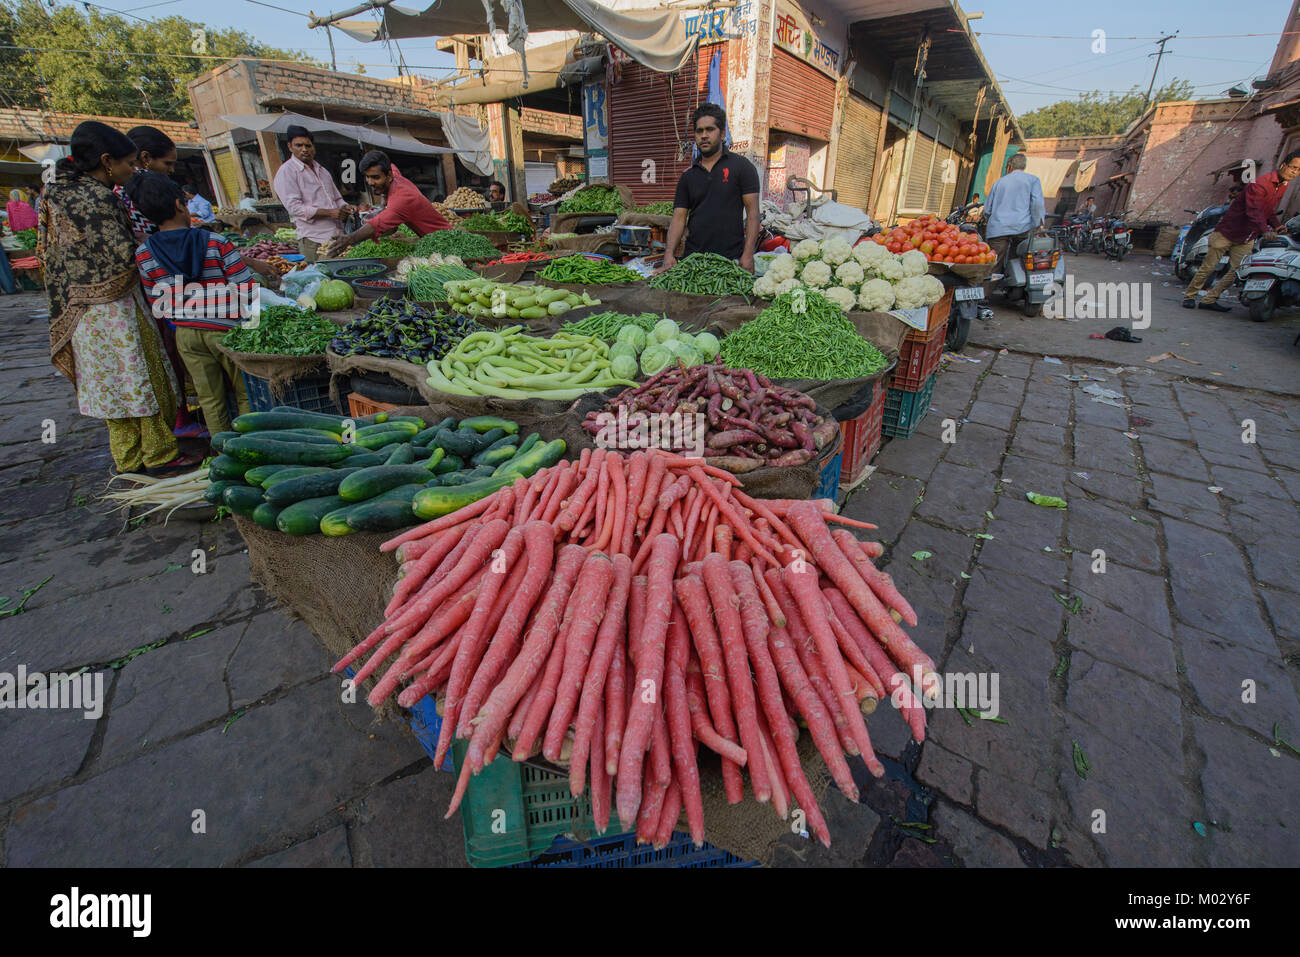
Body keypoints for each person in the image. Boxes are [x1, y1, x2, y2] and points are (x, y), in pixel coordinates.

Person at [40, 121, 198, 475]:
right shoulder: (98, 196)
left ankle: (128, 460)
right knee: (143, 377)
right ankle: (160, 456)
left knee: (111, 386)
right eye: (128, 164)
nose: (132, 171)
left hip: (79, 311)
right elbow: (122, 256)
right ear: (107, 161)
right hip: (116, 308)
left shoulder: (54, 190)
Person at [128, 172, 256, 437]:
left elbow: (157, 304)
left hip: (186, 334)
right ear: (179, 204)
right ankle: (251, 443)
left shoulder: (144, 253)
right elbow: (246, 287)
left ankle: (222, 450)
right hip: (228, 331)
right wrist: (252, 328)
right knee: (245, 392)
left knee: (209, 398)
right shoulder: (216, 242)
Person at [1182, 150, 1300, 311]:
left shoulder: (1282, 186)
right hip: (1227, 231)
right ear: (1283, 165)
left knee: (1238, 271)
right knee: (1209, 267)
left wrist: (1277, 225)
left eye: (1299, 170)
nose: (1295, 172)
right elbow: (1254, 210)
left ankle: (1209, 300)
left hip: (1247, 235)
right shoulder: (1260, 184)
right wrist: (1265, 230)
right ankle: (1189, 297)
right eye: (1293, 167)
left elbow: (1268, 209)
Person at [664, 103, 761, 272]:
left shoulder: (742, 167)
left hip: (730, 261)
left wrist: (748, 254)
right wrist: (669, 253)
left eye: (710, 129)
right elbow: (679, 218)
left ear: (722, 134)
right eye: (699, 131)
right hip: (693, 261)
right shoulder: (688, 176)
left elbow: (753, 214)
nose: (704, 135)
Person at [320, 150, 451, 257]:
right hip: (430, 240)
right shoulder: (394, 175)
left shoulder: (401, 199)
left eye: (376, 177)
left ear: (388, 176)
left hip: (445, 243)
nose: (370, 182)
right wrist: (384, 195)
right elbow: (392, 165)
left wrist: (350, 238)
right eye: (367, 176)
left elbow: (376, 225)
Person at [271, 125, 354, 262]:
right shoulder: (287, 171)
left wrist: (346, 207)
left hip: (337, 236)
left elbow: (337, 199)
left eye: (308, 145)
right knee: (319, 279)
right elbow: (294, 208)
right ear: (290, 146)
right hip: (313, 240)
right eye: (299, 145)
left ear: (313, 147)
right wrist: (328, 213)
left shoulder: (322, 171)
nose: (304, 149)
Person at [983, 152, 1046, 275]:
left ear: (1009, 167)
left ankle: (986, 291)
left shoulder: (999, 182)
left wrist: (988, 217)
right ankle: (1013, 284)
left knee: (993, 263)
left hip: (998, 229)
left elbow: (987, 209)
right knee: (1018, 260)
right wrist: (1039, 225)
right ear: (1024, 166)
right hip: (1022, 228)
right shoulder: (1033, 180)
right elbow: (1037, 205)